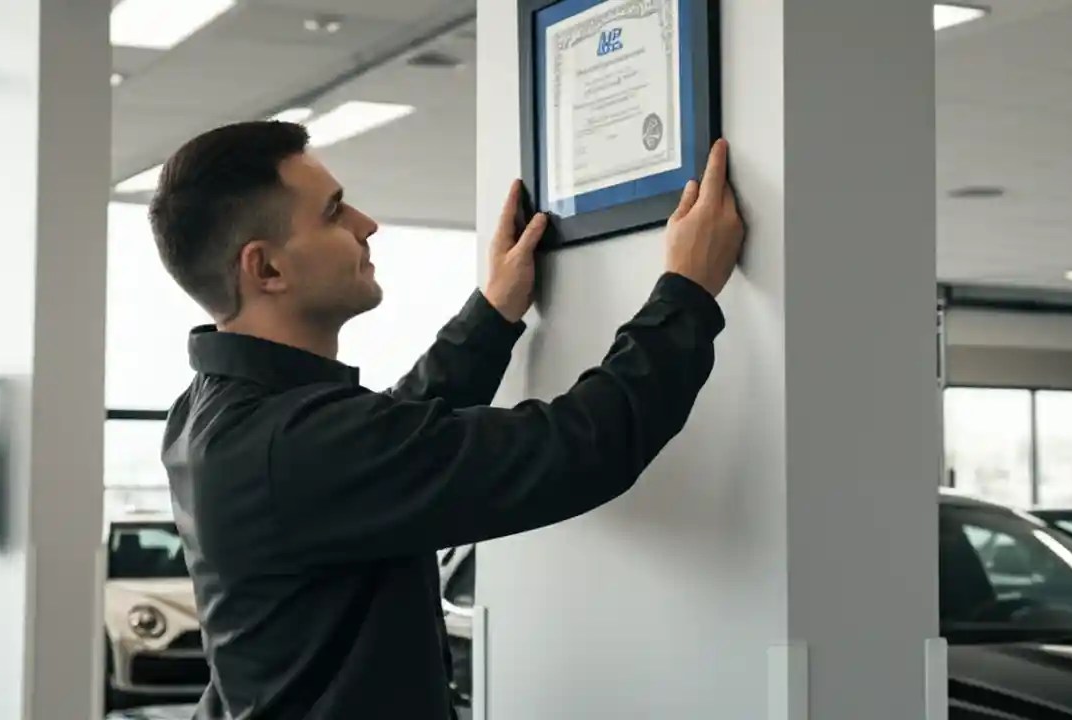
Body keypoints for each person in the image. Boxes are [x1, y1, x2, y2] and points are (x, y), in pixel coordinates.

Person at [150, 120, 745, 720]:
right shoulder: (289, 444)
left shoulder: (212, 413)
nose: (365, 224)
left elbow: (390, 440)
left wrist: (491, 317)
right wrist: (686, 291)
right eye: (333, 213)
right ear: (266, 270)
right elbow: (575, 448)